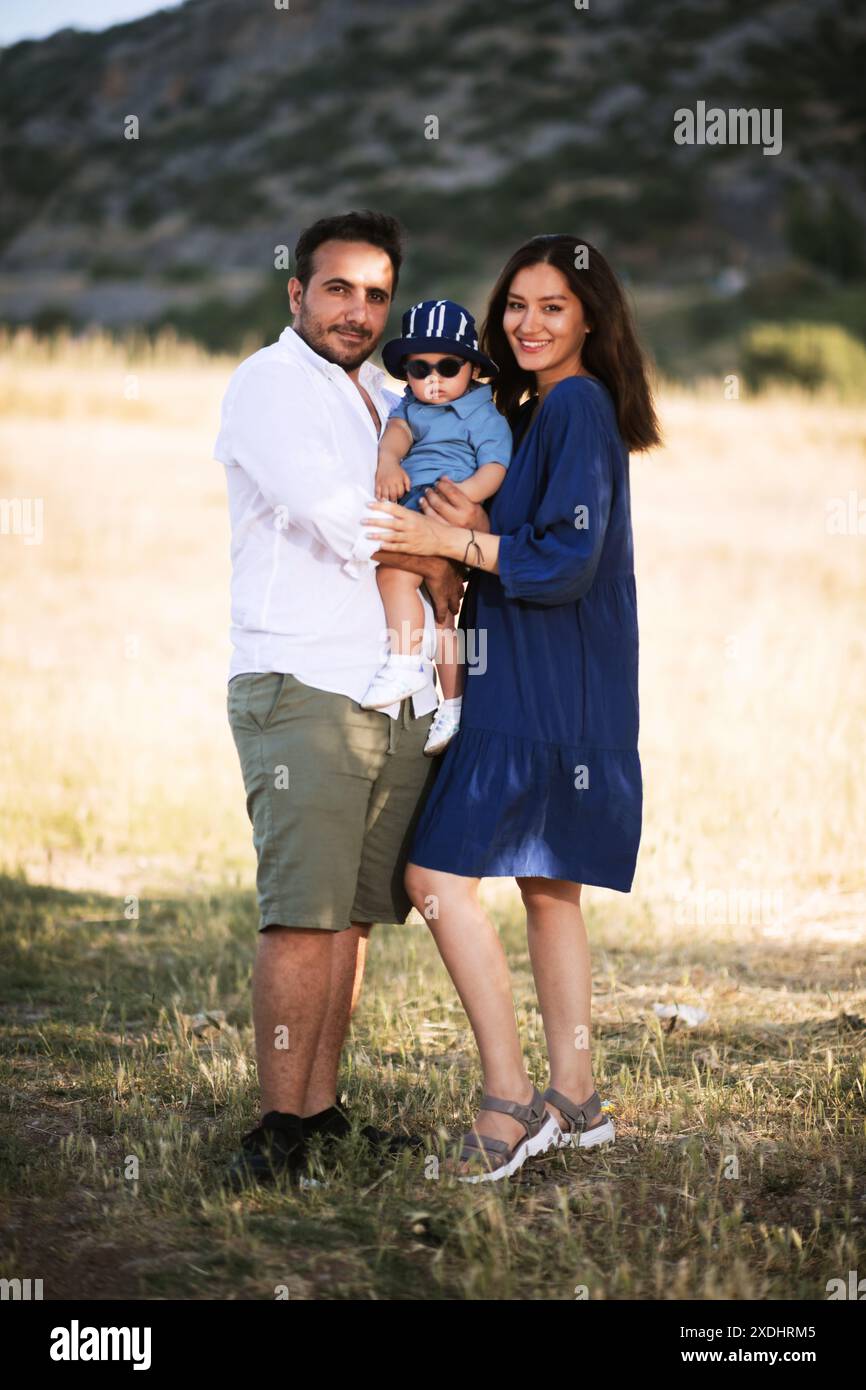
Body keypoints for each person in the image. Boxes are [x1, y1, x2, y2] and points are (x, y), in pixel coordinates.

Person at [363, 233, 662, 1182]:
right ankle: (576, 1098)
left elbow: (566, 558)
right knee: (547, 882)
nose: (529, 324)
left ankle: (508, 1101)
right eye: (517, 306)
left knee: (434, 878)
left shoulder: (574, 405)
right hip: (567, 680)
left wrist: (441, 540)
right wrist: (477, 527)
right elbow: (525, 531)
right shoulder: (535, 408)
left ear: (591, 320)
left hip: (541, 679)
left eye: (553, 308)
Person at [215, 211, 465, 1189]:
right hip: (304, 683)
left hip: (390, 690)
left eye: (375, 294)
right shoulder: (268, 384)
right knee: (302, 916)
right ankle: (276, 1128)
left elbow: (436, 497)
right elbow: (342, 520)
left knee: (353, 917)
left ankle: (319, 1113)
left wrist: (443, 541)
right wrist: (445, 553)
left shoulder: (384, 395)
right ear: (296, 292)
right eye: (337, 289)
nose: (357, 311)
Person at [360, 299, 512, 758]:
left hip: (448, 511)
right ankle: (453, 704)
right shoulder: (411, 407)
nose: (433, 380)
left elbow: (495, 467)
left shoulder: (484, 415)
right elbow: (396, 437)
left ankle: (405, 663)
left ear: (472, 369)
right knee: (444, 615)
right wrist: (388, 462)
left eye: (447, 367)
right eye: (419, 368)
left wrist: (463, 497)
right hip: (417, 505)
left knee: (394, 574)